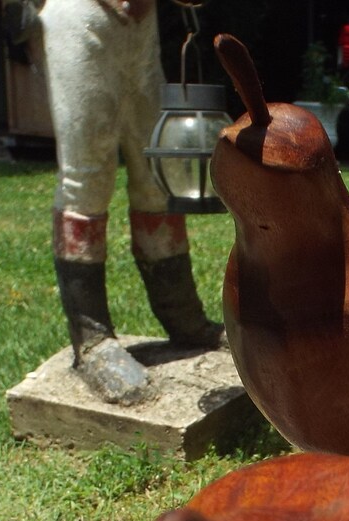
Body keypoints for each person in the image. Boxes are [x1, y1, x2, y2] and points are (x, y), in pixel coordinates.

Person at [13, 0, 222, 399]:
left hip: (140, 24)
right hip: (80, 15)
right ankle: (91, 338)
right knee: (86, 176)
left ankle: (183, 318)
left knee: (155, 172)